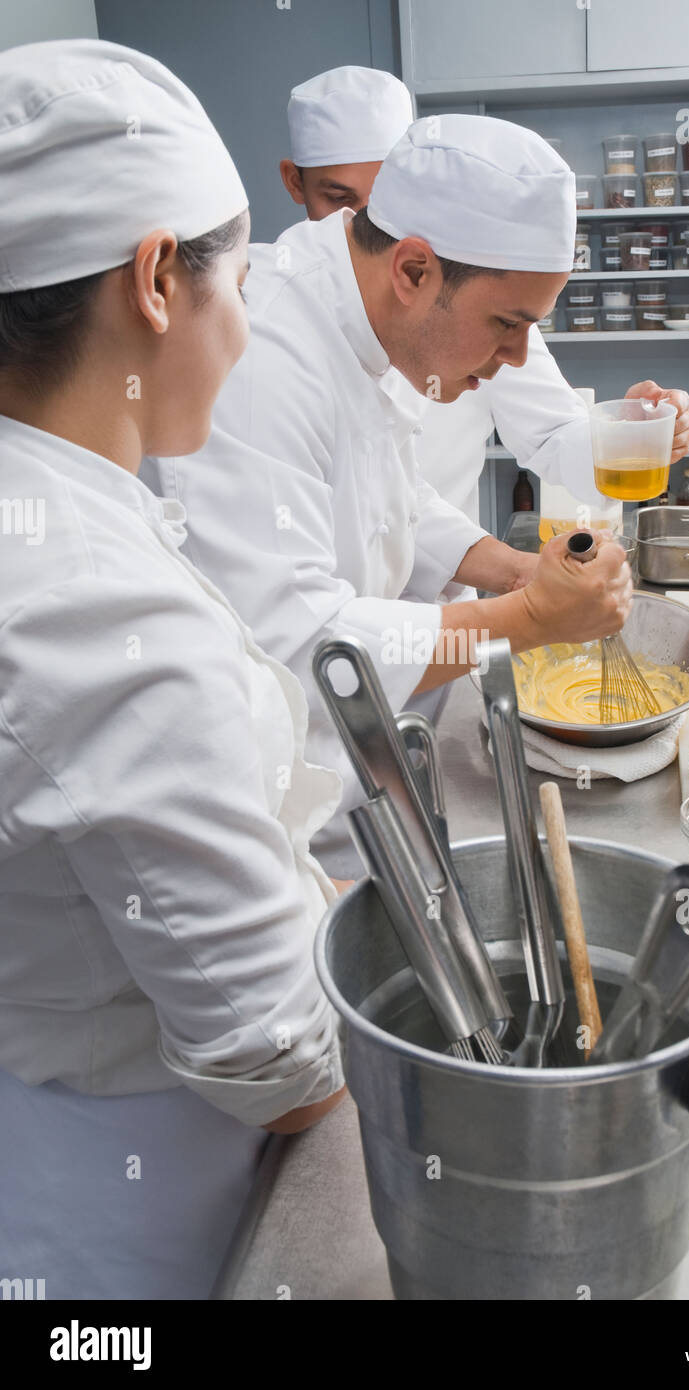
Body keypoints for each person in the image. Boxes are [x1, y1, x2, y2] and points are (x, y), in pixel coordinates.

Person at [0, 39, 345, 1301]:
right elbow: (268, 1046)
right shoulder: (90, 603)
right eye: (238, 284)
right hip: (126, 1205)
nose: (246, 332)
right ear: (156, 280)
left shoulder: (61, 503)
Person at [142, 114, 635, 874]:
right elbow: (303, 647)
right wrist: (526, 618)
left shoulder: (367, 317)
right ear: (412, 270)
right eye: (506, 324)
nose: (513, 359)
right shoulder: (266, 360)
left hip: (367, 759)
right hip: (279, 820)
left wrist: (511, 568)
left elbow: (391, 495)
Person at [280, 66, 689, 521]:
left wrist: (625, 435)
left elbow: (552, 433)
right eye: (343, 199)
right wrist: (520, 591)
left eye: (384, 198)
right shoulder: (278, 318)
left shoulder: (482, 299)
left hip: (448, 584)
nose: (370, 223)